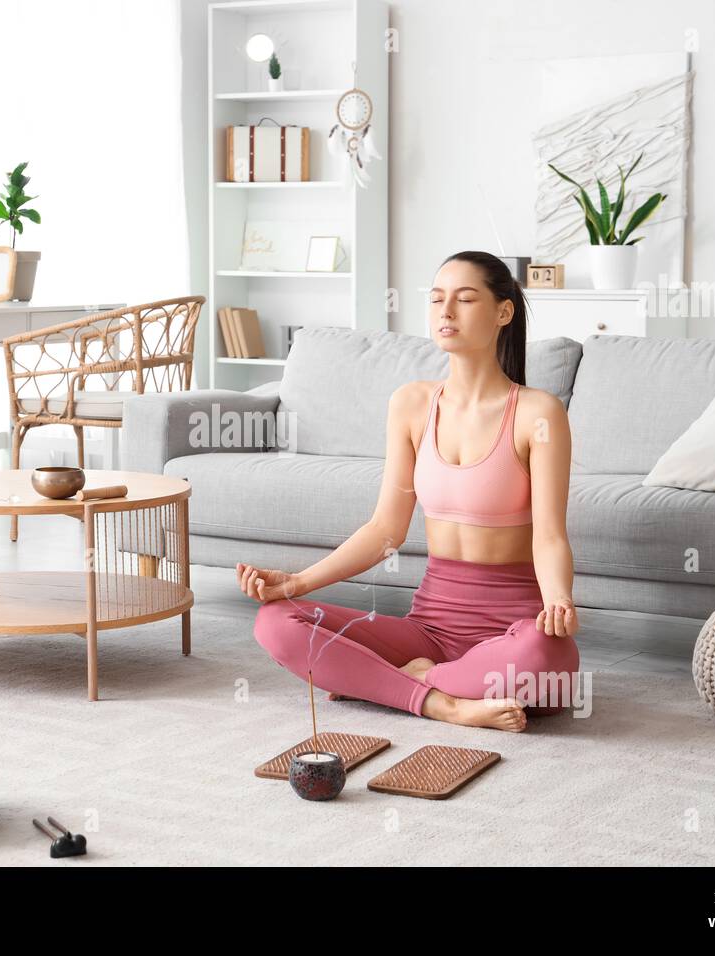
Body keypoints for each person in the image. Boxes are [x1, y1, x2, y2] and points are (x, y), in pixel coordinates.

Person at [241, 251, 580, 732]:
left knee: (550, 655)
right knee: (275, 622)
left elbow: (549, 536)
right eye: (437, 299)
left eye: (465, 299)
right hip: (429, 629)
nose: (446, 311)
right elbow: (385, 530)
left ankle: (397, 683)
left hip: (513, 632)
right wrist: (295, 584)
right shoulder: (412, 404)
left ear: (503, 312)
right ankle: (444, 702)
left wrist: (558, 600)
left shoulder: (538, 413)